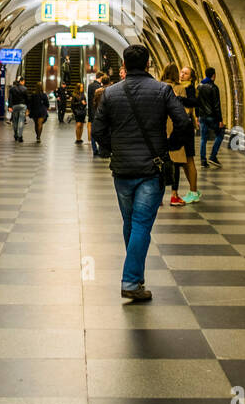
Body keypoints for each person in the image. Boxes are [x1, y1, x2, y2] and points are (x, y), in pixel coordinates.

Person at [94, 44, 192, 301]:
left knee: (131, 223)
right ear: (148, 63)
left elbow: (97, 131)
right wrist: (172, 145)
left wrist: (111, 149)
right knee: (140, 224)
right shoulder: (162, 90)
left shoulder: (110, 93)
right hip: (152, 167)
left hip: (122, 170)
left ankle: (135, 276)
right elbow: (183, 121)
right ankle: (131, 280)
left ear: (124, 65)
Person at [171, 66, 201, 203]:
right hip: (183, 125)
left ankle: (193, 191)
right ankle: (193, 189)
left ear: (191, 77)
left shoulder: (189, 88)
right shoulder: (180, 86)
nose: (182, 75)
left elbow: (195, 102)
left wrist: (179, 98)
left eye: (186, 73)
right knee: (184, 161)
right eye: (181, 72)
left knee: (189, 159)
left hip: (186, 127)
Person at [196, 67, 224, 168]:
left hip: (202, 116)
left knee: (203, 138)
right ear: (213, 75)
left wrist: (196, 116)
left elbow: (196, 102)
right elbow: (217, 105)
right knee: (220, 134)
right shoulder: (214, 87)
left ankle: (203, 160)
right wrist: (220, 120)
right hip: (212, 116)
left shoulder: (199, 86)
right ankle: (213, 156)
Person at [8, 75, 28, 142]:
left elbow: (10, 99)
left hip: (14, 106)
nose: (24, 82)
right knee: (21, 121)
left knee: (15, 121)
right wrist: (28, 108)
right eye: (24, 81)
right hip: (22, 106)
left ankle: (16, 135)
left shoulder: (12, 89)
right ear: (21, 81)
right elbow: (27, 99)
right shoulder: (25, 89)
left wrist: (9, 107)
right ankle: (20, 136)